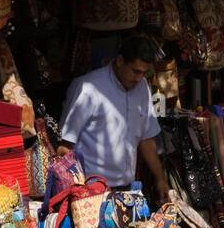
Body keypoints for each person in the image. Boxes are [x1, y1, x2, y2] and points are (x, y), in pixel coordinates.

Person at [58, 35, 168, 203]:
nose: (139, 78)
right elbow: (65, 147)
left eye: (144, 73)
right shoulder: (88, 88)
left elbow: (146, 139)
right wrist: (76, 192)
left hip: (127, 191)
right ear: (119, 61)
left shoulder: (143, 87)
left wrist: (160, 178)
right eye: (135, 71)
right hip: (90, 192)